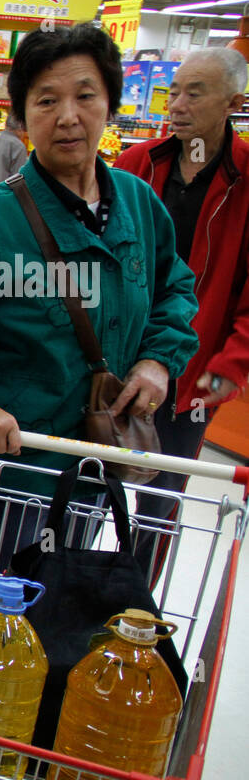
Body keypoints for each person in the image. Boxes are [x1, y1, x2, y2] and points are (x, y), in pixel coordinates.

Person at [0, 24, 199, 574]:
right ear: (23, 117)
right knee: (4, 622)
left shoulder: (140, 205)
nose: (68, 116)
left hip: (98, 461)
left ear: (110, 106)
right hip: (16, 474)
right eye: (47, 100)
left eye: (85, 95)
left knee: (63, 605)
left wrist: (157, 362)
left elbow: (175, 289)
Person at [115, 47, 249, 570]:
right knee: (84, 485)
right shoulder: (136, 164)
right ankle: (72, 592)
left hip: (190, 378)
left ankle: (135, 604)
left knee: (160, 501)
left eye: (196, 92)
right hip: (111, 363)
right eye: (174, 91)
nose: (178, 104)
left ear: (233, 102)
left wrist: (228, 369)